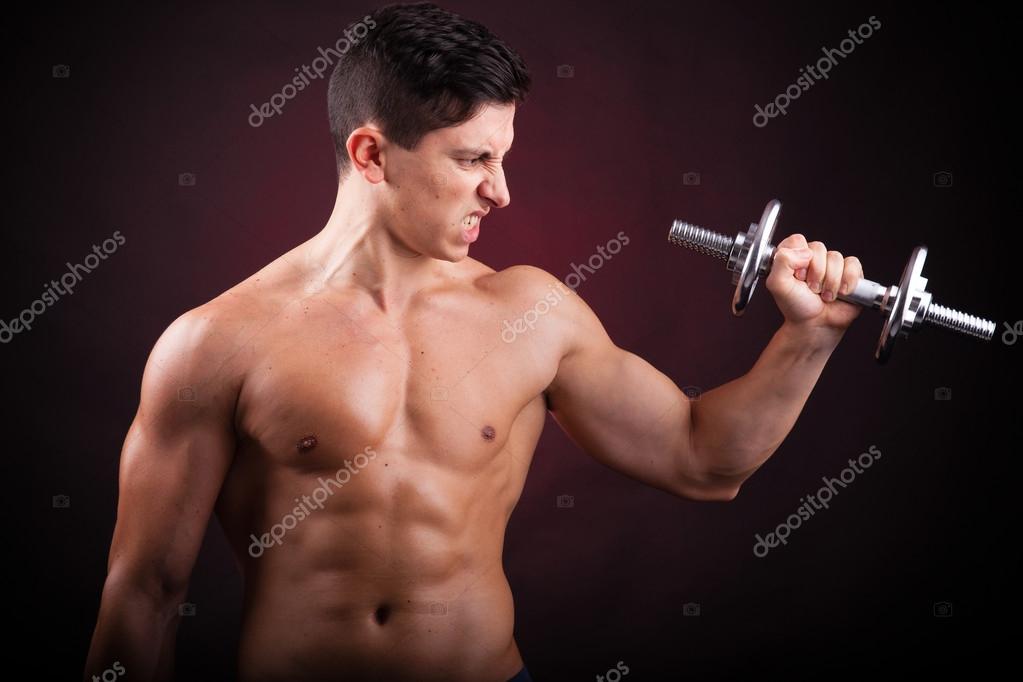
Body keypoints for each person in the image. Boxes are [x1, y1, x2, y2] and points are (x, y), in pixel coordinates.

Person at [84, 2, 863, 680]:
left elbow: (702, 461)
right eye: (473, 160)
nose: (500, 190)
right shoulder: (218, 342)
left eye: (504, 157)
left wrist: (809, 335)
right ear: (370, 154)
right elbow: (145, 590)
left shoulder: (531, 311)